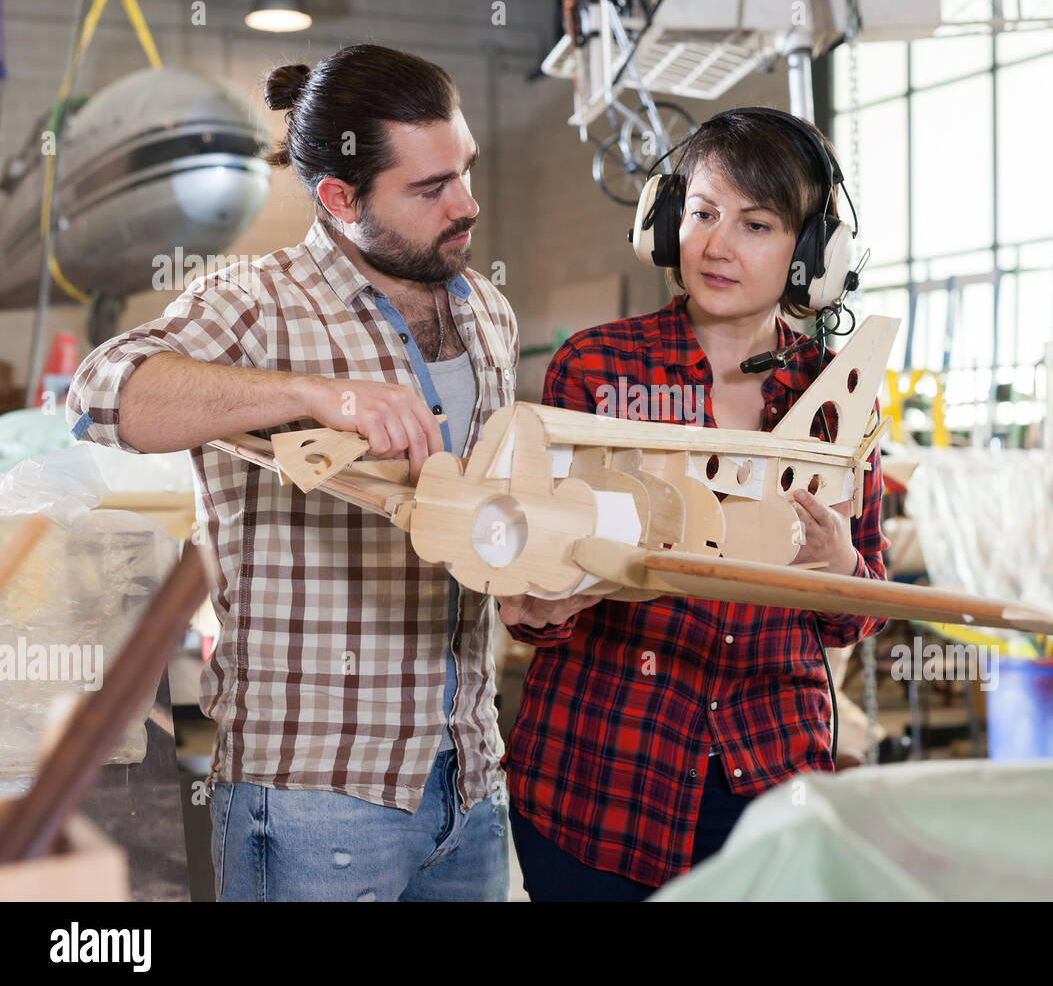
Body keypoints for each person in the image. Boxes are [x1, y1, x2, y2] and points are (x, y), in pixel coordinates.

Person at [67, 44, 578, 901]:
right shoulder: (255, 301)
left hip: (471, 780)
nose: (467, 205)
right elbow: (101, 395)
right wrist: (314, 394)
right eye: (429, 190)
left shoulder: (485, 311)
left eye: (465, 171)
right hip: (313, 795)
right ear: (339, 199)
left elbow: (477, 519)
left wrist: (531, 584)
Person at [498, 107, 890, 900]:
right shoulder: (597, 370)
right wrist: (539, 597)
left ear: (809, 255)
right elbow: (535, 589)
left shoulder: (834, 400)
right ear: (668, 219)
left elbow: (861, 606)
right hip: (602, 778)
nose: (718, 244)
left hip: (766, 779)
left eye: (756, 223)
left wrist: (840, 565)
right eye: (704, 213)